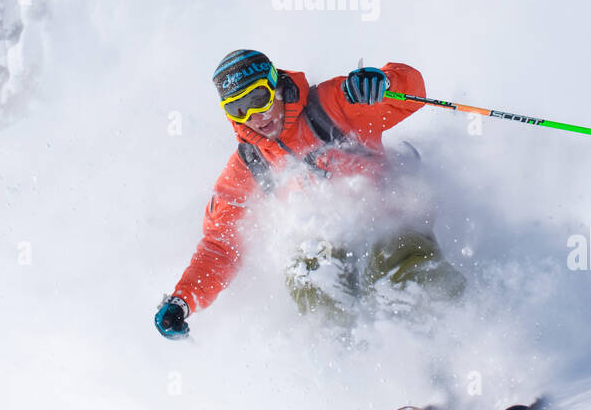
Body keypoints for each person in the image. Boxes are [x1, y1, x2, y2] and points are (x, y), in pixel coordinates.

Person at [154, 49, 465, 339]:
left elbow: (413, 96)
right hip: (332, 247)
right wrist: (182, 301)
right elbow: (221, 244)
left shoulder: (332, 105)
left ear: (276, 85)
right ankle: (358, 370)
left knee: (395, 263)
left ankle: (460, 343)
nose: (255, 116)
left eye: (259, 98)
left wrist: (382, 82)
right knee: (308, 271)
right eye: (239, 109)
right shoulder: (249, 165)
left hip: (388, 218)